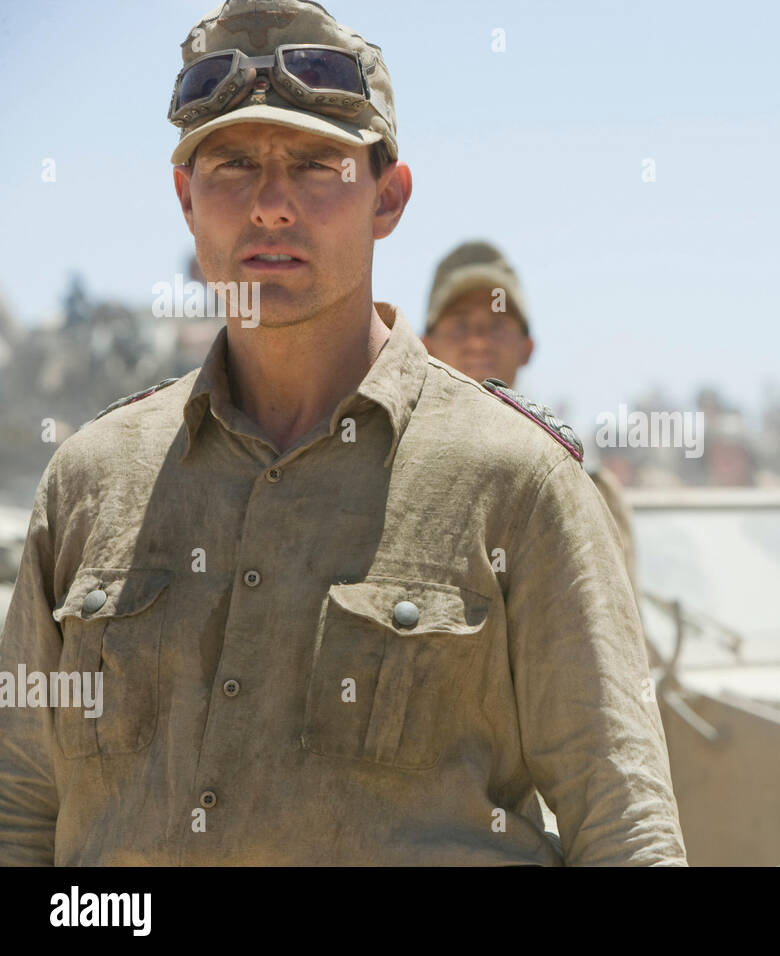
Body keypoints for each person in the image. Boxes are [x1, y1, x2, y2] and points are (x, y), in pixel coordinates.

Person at [0, 0, 686, 866]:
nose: (272, 206)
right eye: (233, 165)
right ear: (185, 200)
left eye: (319, 165)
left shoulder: (519, 482)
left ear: (388, 198)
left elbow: (624, 826)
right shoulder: (89, 484)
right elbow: (21, 809)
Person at [421, 240, 639, 586]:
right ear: (424, 345)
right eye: (460, 327)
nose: (478, 342)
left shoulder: (578, 485)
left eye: (497, 327)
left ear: (527, 348)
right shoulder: (393, 468)